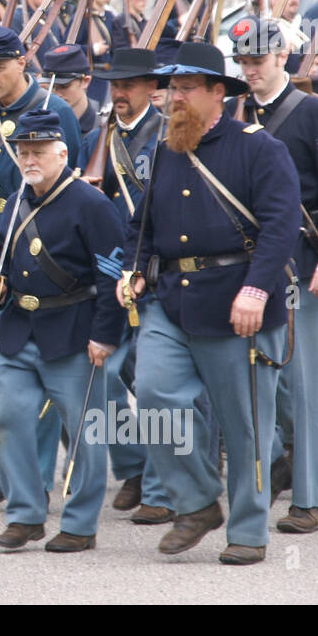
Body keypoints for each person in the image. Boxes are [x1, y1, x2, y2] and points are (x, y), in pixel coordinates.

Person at [119, 42, 301, 564]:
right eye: (171, 88)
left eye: (186, 88)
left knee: (243, 425)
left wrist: (257, 289)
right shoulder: (163, 149)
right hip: (171, 301)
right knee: (153, 397)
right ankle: (197, 502)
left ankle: (247, 529)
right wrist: (133, 269)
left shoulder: (257, 147)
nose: (174, 97)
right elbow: (142, 226)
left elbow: (281, 226)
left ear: (218, 92)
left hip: (235, 302)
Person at [230, 17, 318, 534]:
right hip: (250, 264)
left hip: (306, 264)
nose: (250, 71)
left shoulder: (315, 113)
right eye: (242, 62)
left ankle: (309, 498)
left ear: (280, 57)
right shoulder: (236, 114)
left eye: (257, 61)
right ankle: (260, 486)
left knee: (307, 384)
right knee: (257, 384)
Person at [0, 108, 126, 553]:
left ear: (62, 152)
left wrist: (105, 335)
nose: (30, 159)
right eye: (23, 151)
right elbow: (0, 252)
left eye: (39, 151)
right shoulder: (17, 199)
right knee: (4, 420)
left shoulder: (91, 204)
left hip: (72, 331)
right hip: (17, 328)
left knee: (85, 433)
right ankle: (25, 514)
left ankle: (81, 525)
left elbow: (111, 275)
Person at [0, 24, 80, 481]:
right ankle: (5, 447)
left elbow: (72, 186)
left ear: (23, 63)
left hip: (38, 259)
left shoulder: (54, 110)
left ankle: (31, 478)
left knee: (36, 374)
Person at [88, 47, 175, 523]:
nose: (118, 92)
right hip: (109, 270)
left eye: (129, 84)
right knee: (106, 376)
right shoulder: (94, 139)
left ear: (151, 89)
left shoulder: (169, 135)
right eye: (114, 84)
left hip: (158, 271)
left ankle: (163, 488)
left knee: (155, 382)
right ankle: (133, 468)